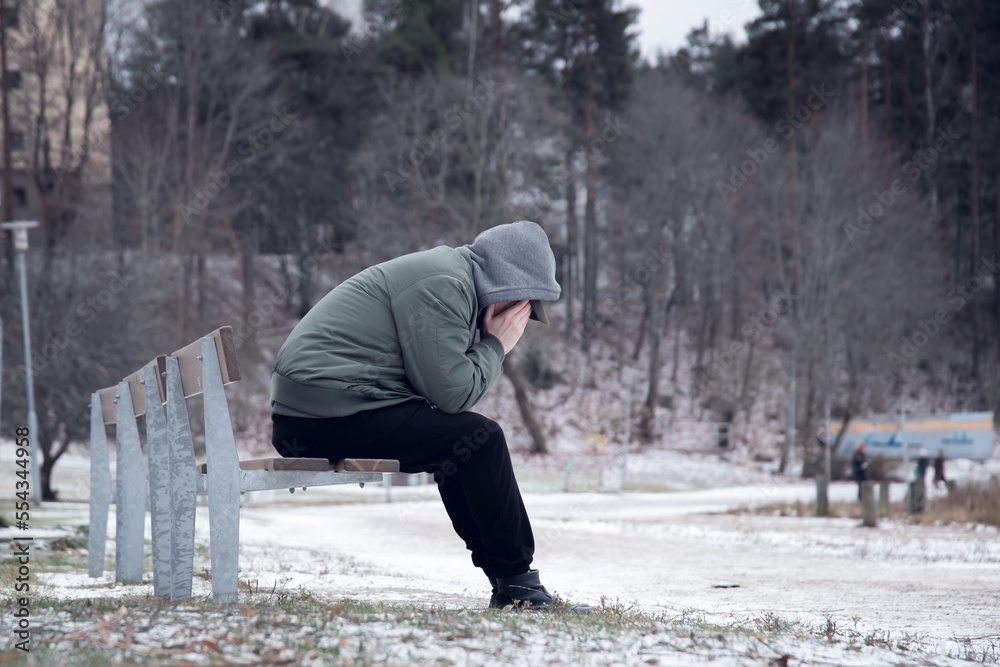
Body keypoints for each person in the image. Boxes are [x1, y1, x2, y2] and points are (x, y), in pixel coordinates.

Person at [269, 220, 582, 611]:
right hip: (321, 417)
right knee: (480, 440)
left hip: (326, 409)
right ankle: (518, 585)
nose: (520, 319)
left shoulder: (452, 280)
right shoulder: (443, 286)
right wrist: (496, 345)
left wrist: (487, 344)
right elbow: (454, 394)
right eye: (523, 308)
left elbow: (445, 394)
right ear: (509, 286)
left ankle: (510, 585)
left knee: (462, 446)